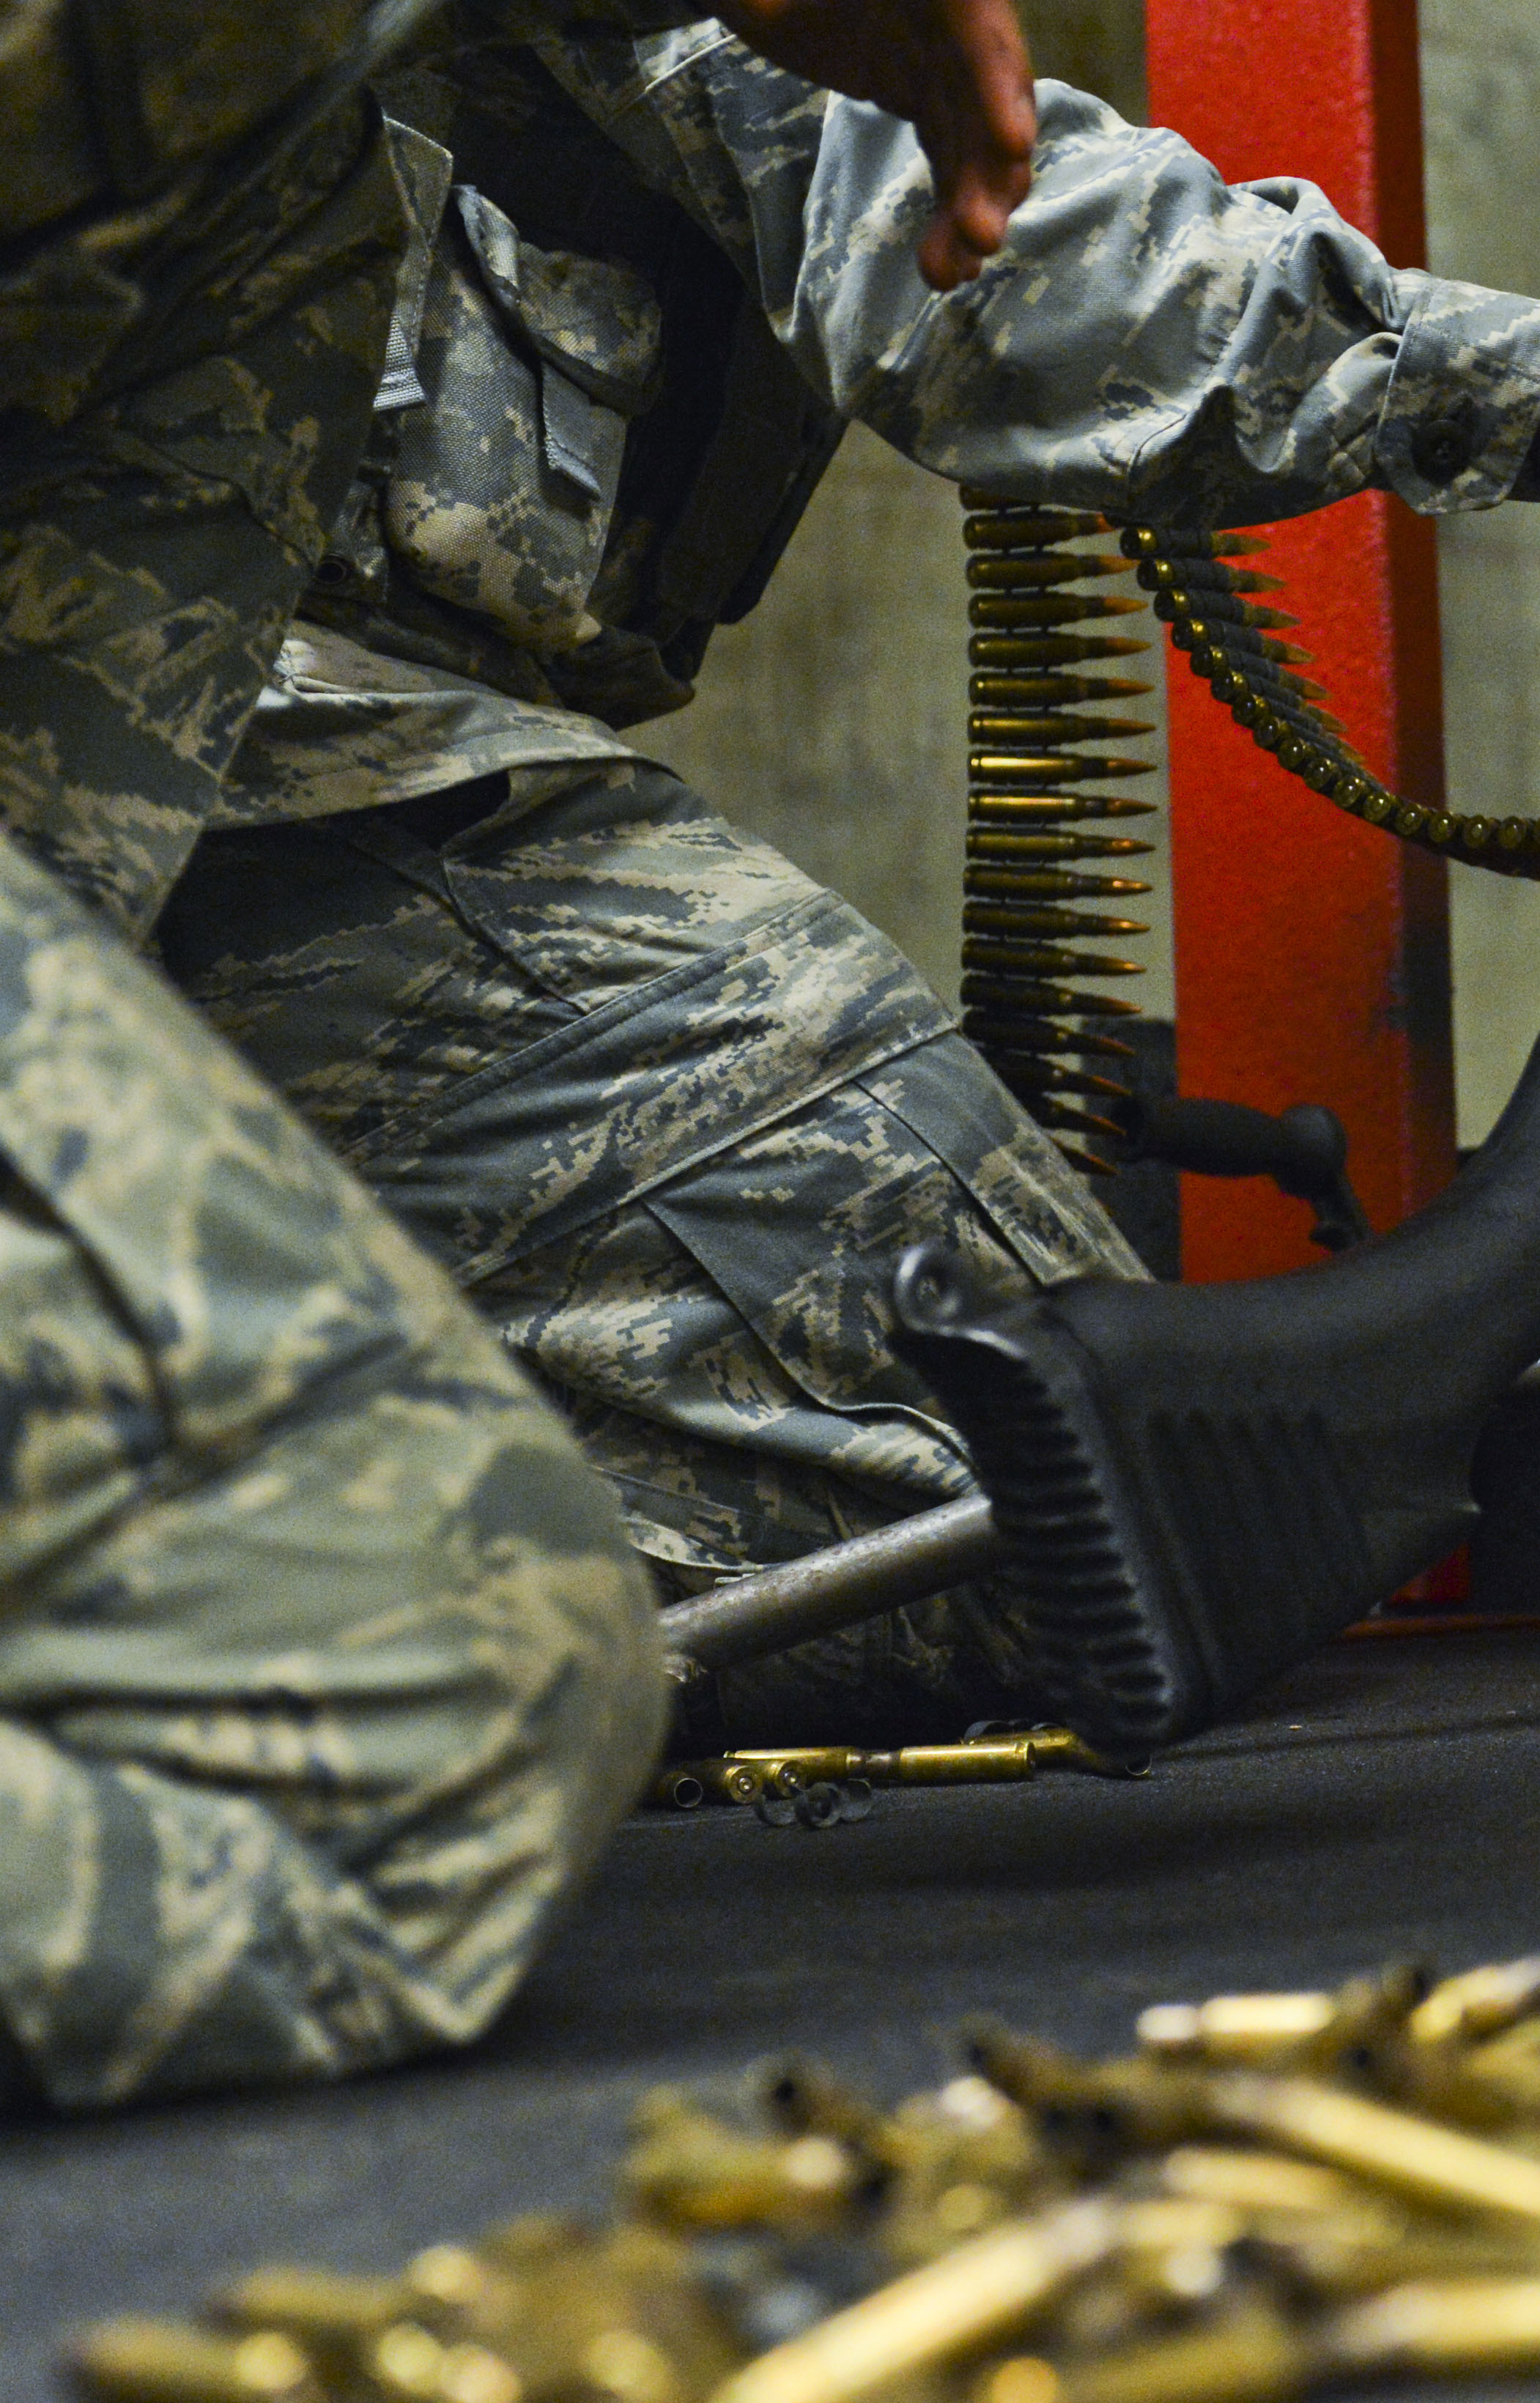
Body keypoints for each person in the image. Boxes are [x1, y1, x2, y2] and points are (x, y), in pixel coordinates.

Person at [147, 28, 1540, 1747]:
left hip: (258, 785)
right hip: (245, 766)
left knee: (1124, 1468)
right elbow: (949, 238)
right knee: (1095, 1516)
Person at [0, 0, 1042, 2111]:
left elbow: (990, 213)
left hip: (200, 825)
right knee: (431, 1723)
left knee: (1018, 1474)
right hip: (322, 795)